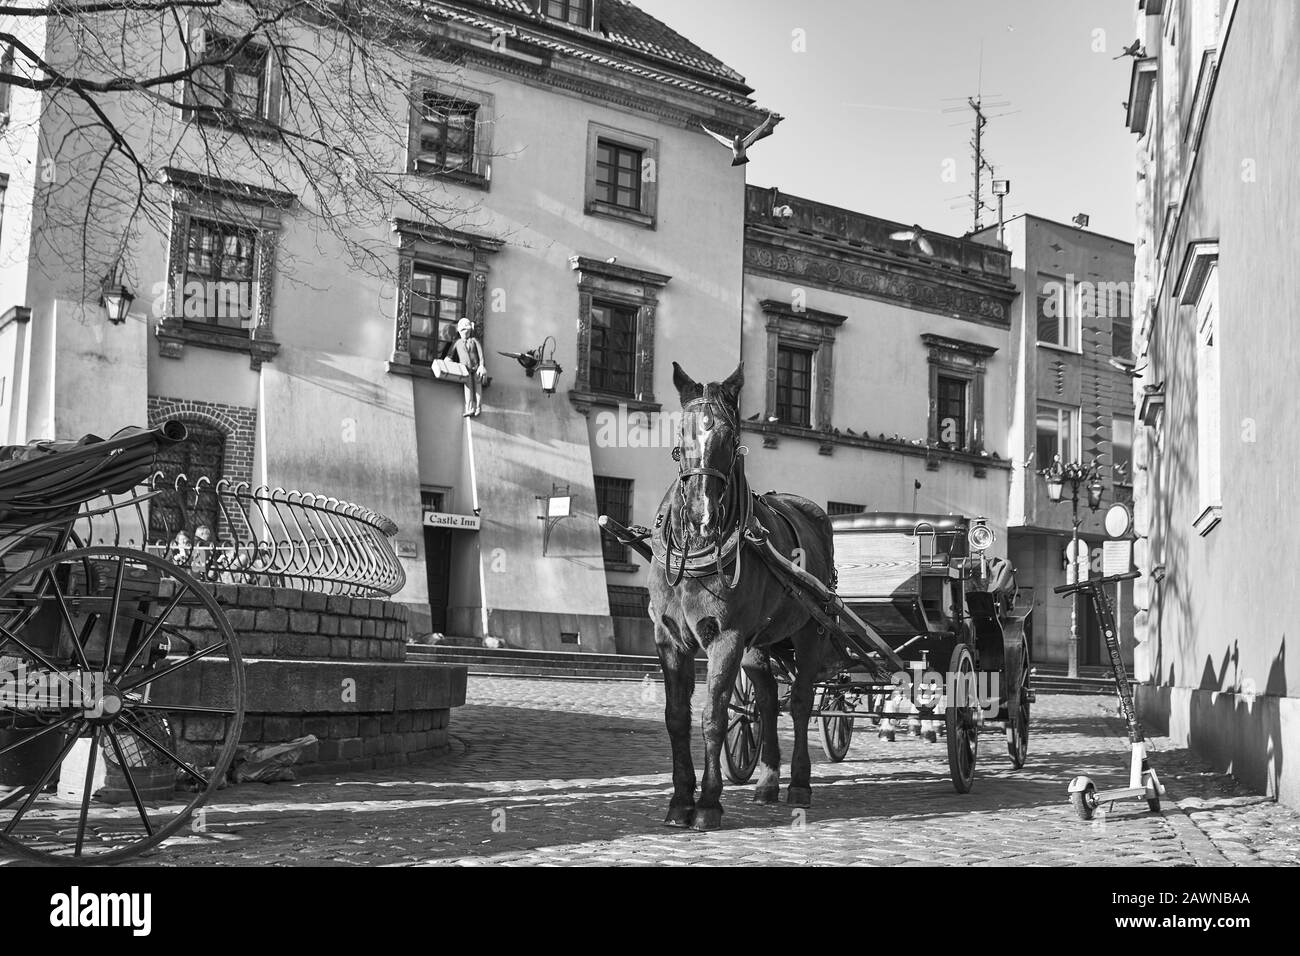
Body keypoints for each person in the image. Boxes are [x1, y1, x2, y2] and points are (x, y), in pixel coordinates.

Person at [440, 317, 486, 417]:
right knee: (468, 388)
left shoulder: (474, 341)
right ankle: (470, 408)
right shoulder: (457, 342)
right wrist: (445, 364)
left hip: (476, 368)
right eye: (463, 330)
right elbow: (450, 355)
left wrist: (482, 366)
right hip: (465, 369)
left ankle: (478, 407)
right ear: (459, 331)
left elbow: (481, 354)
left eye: (467, 330)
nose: (465, 332)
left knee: (477, 387)